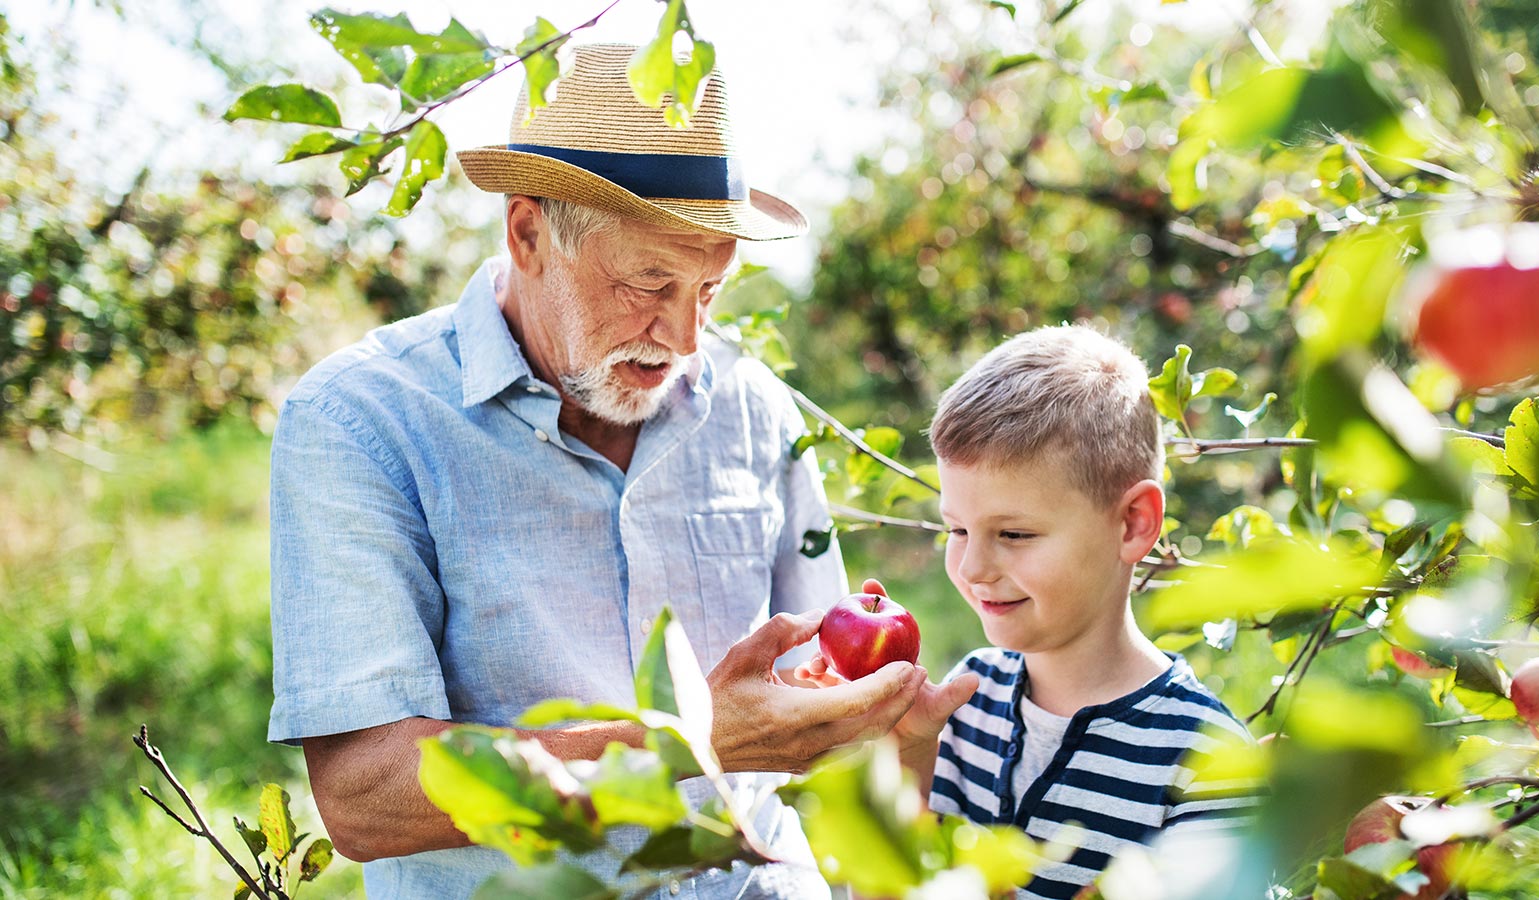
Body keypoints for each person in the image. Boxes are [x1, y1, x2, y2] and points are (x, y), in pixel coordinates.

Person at [267, 43, 931, 899]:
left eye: (710, 291)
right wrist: (685, 740)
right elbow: (366, 798)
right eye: (649, 283)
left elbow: (832, 708)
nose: (686, 338)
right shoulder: (363, 424)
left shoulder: (755, 408)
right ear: (528, 232)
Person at [881, 325, 1258, 897]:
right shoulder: (968, 698)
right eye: (956, 528)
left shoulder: (1208, 765)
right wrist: (906, 758)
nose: (973, 567)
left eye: (1014, 533)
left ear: (1133, 524)